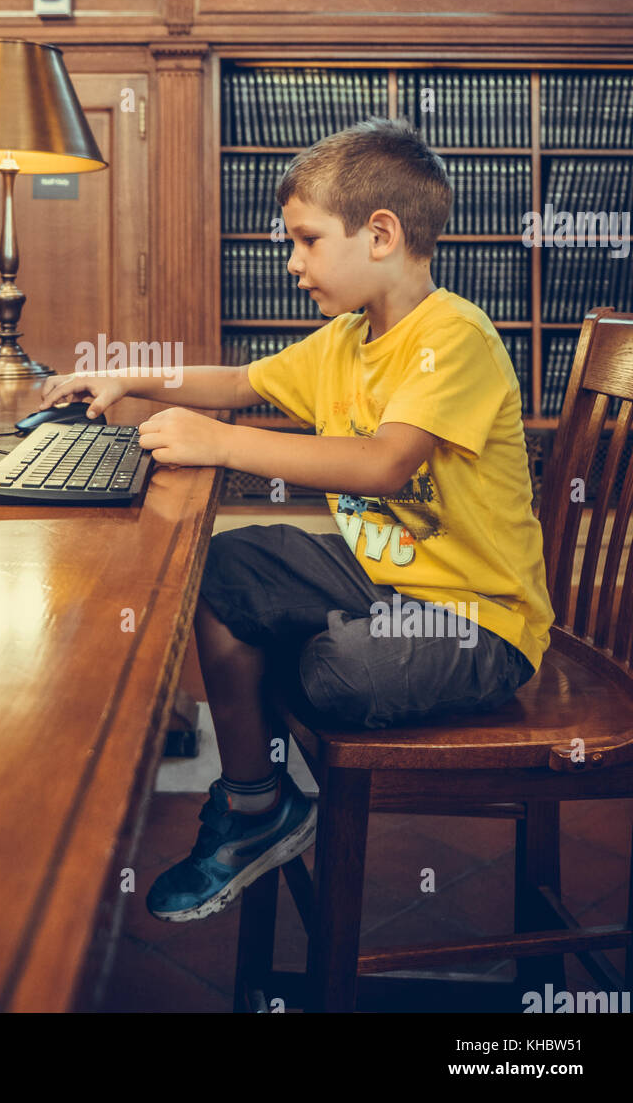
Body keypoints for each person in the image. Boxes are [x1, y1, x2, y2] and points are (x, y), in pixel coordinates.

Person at [38, 116, 554, 925]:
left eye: (307, 240)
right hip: (381, 577)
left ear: (380, 233)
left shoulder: (453, 337)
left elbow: (385, 462)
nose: (293, 264)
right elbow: (239, 380)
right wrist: (125, 378)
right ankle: (257, 806)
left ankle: (276, 754)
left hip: (477, 620)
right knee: (221, 574)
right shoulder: (347, 338)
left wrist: (220, 445)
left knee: (332, 670)